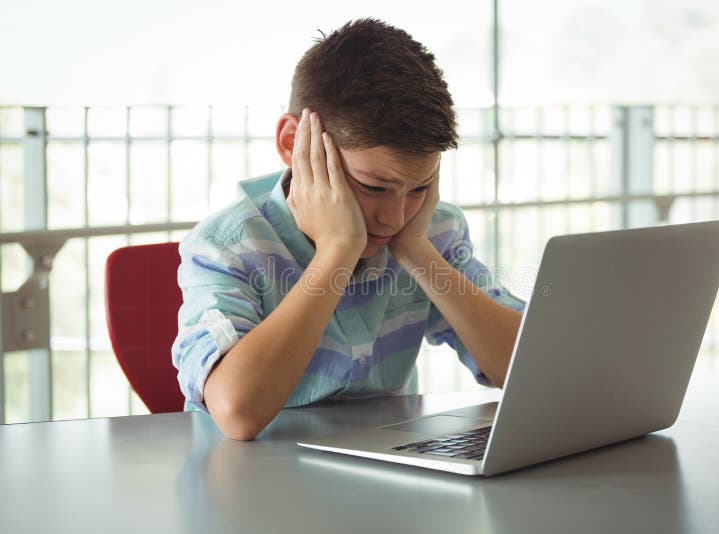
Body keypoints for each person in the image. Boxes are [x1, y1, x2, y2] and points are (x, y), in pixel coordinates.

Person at [171, 18, 524, 440]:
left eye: (420, 187)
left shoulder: (428, 229)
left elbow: (528, 369)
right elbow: (238, 412)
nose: (394, 218)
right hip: (250, 485)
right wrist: (336, 250)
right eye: (373, 187)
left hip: (378, 480)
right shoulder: (227, 246)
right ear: (292, 143)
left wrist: (417, 251)